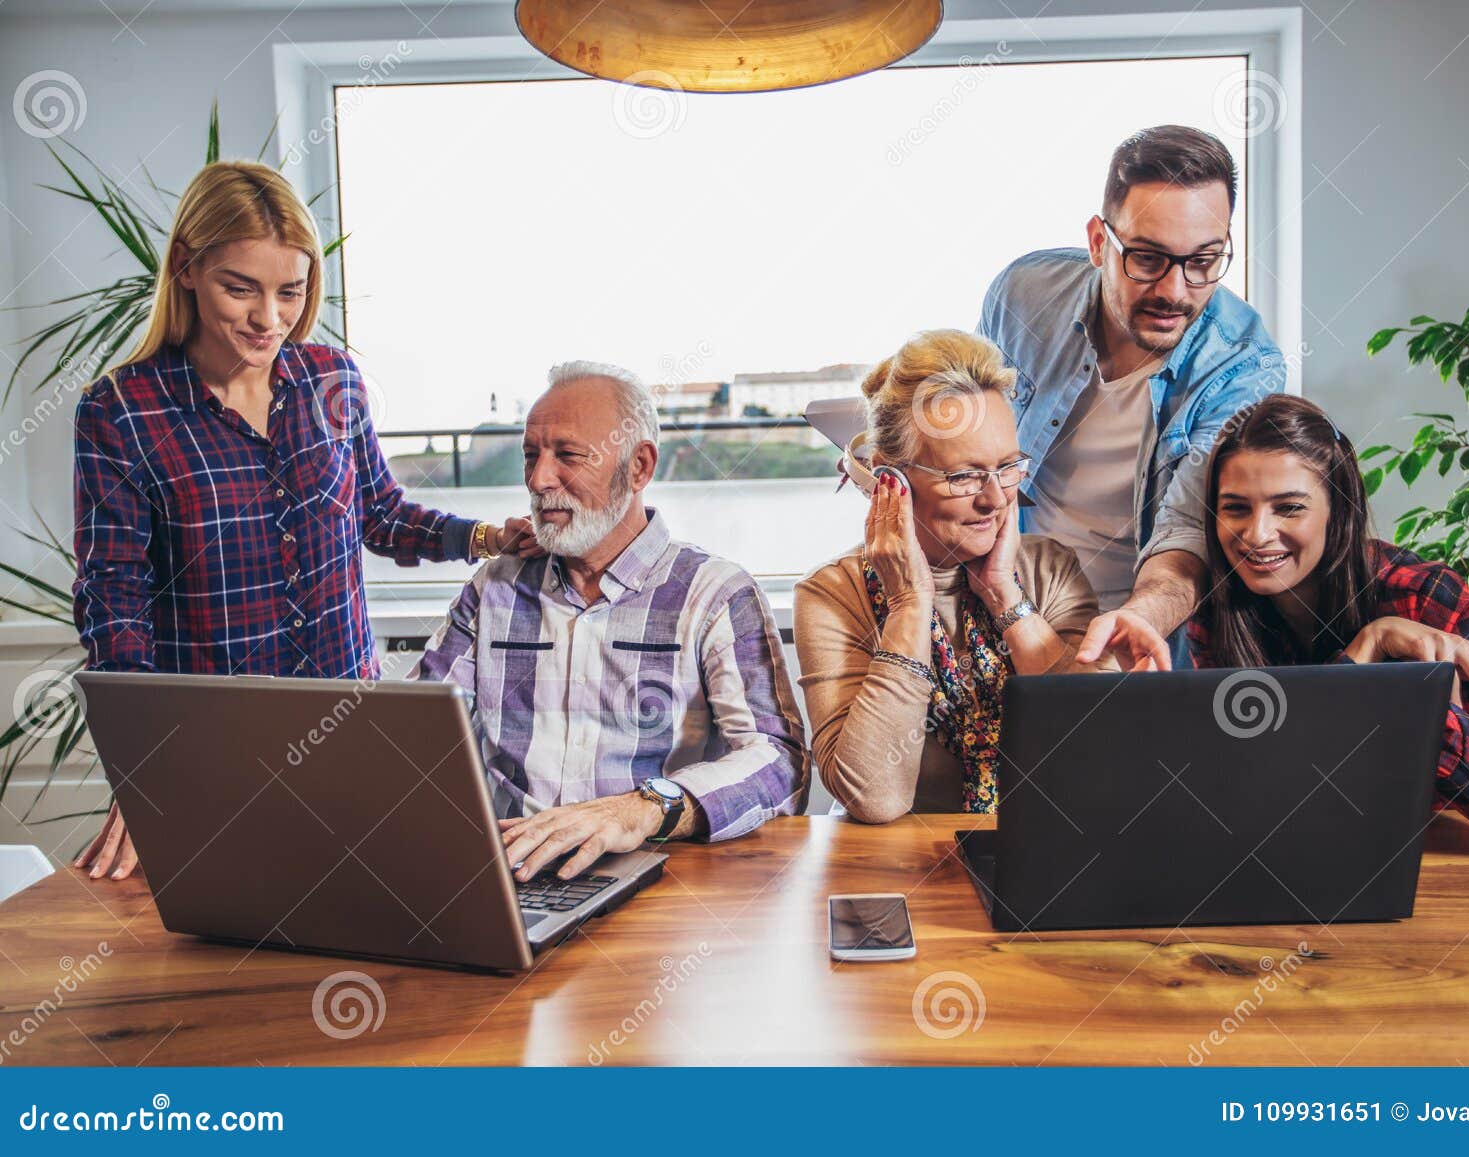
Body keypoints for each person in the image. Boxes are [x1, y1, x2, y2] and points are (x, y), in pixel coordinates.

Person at [70, 161, 534, 881]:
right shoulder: (121, 411)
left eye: (289, 291)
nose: (269, 319)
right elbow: (114, 600)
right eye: (240, 289)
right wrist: (144, 767)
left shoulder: (331, 379)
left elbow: (379, 513)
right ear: (186, 269)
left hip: (351, 735)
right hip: (213, 757)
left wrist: (484, 538)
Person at [413, 361, 808, 880]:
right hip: (512, 876)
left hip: (661, 879)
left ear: (638, 467)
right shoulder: (496, 587)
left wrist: (641, 809)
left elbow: (780, 764)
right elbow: (413, 736)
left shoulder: (715, 592)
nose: (539, 480)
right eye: (531, 456)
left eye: (568, 456)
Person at [1188, 394, 1469, 847]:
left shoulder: (1426, 595)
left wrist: (1423, 708)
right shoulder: (1216, 611)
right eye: (1236, 508)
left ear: (1338, 508)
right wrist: (1363, 657)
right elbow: (1264, 796)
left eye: (1289, 507)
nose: (1256, 534)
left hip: (1432, 854)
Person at [978, 124, 1284, 671]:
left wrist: (1138, 619)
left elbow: (1189, 528)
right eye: (1147, 258)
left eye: (1203, 261)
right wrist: (902, 455)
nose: (1174, 291)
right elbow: (972, 420)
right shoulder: (1024, 295)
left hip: (1139, 641)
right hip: (1007, 609)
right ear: (1099, 242)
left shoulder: (1242, 366)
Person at [794, 330, 1113, 823]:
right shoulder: (833, 594)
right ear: (890, 480)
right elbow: (875, 798)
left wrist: (1007, 598)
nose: (995, 499)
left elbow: (1098, 752)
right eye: (964, 476)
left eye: (1008, 467)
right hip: (900, 858)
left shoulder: (1048, 569)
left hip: (1047, 848)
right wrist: (909, 604)